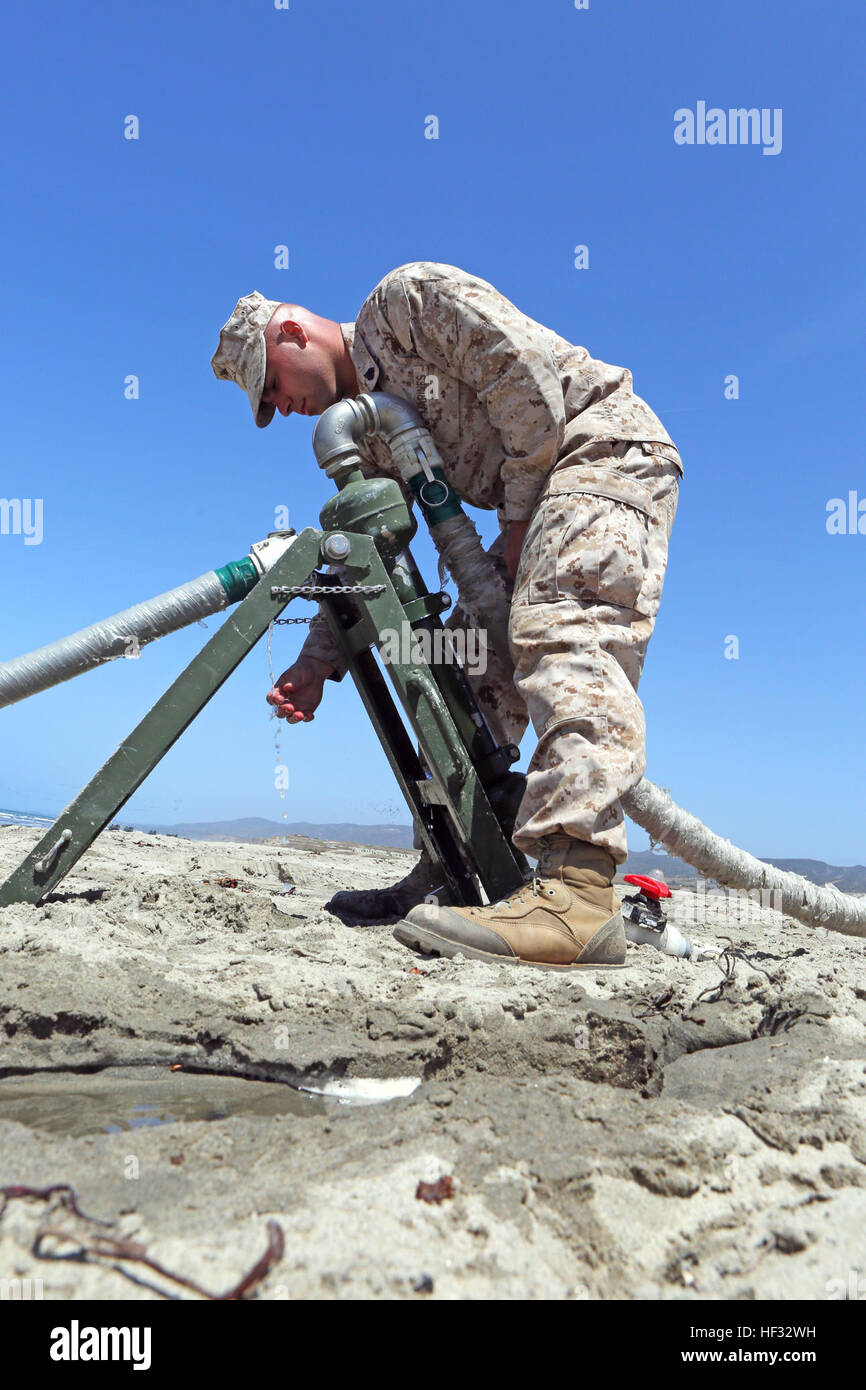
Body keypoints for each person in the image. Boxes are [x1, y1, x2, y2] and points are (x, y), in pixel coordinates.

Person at [211, 262, 682, 969]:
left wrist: (518, 523)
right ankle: (458, 860)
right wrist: (315, 663)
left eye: (272, 385)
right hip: (537, 497)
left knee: (559, 627)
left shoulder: (405, 303)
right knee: (463, 666)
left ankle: (578, 894)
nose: (283, 407)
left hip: (600, 452)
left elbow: (523, 379)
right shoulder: (369, 438)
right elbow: (368, 553)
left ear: (289, 331)